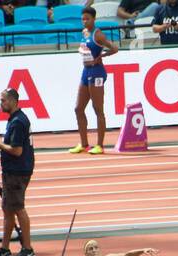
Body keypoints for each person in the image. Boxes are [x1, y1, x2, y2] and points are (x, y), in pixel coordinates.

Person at [0, 88, 35, 256]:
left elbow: (17, 150)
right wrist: (1, 141)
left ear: (13, 101)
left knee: (18, 208)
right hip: (14, 169)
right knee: (7, 209)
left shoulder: (18, 122)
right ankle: (5, 248)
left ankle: (27, 248)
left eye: (4, 100)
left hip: (17, 170)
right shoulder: (15, 119)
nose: (1, 104)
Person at [69, 8, 118, 155]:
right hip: (86, 72)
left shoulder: (98, 34)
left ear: (94, 19)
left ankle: (100, 145)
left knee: (98, 109)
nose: (85, 21)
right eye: (83, 19)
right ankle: (84, 144)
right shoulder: (84, 32)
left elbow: (115, 48)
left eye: (87, 19)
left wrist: (101, 56)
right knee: (78, 108)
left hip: (96, 72)